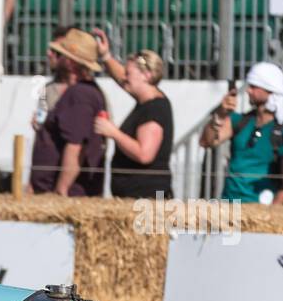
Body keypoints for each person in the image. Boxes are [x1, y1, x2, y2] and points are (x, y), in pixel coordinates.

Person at [200, 61, 283, 205]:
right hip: (228, 207)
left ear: (269, 90)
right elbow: (206, 141)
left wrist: (270, 216)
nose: (248, 91)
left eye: (253, 86)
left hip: (259, 211)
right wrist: (220, 114)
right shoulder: (239, 121)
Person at [92, 32, 174, 199]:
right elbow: (122, 78)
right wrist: (106, 56)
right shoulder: (146, 101)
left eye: (128, 74)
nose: (124, 78)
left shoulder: (155, 109)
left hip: (146, 198)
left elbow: (144, 154)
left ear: (147, 75)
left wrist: (113, 132)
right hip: (134, 196)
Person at [29, 28, 107, 196]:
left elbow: (75, 147)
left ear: (71, 62)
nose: (55, 56)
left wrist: (61, 190)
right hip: (52, 191)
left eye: (61, 54)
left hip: (63, 194)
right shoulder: (84, 92)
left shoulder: (79, 95)